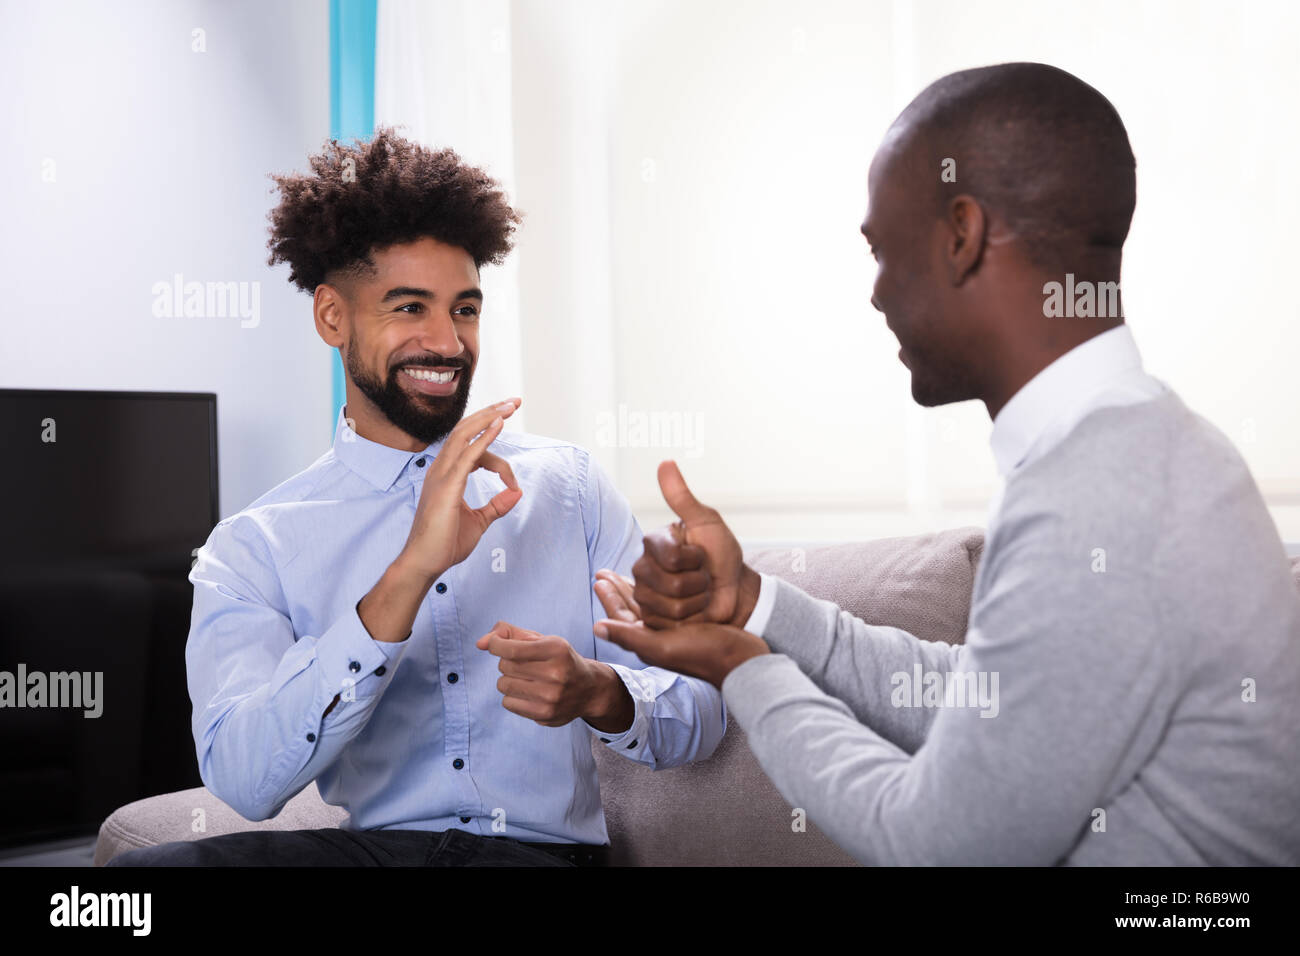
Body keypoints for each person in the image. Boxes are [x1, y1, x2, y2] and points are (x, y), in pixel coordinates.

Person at [594, 63, 1300, 865]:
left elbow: (939, 843)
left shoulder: (1101, 495)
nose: (877, 294)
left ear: (960, 236)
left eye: (882, 250)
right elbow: (989, 701)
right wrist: (753, 604)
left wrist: (744, 671)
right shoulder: (1145, 450)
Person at [109, 128, 725, 868]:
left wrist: (602, 692)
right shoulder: (254, 546)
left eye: (464, 309)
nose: (447, 341)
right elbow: (242, 776)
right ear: (333, 317)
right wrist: (409, 572)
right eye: (409, 308)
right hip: (370, 854)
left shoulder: (568, 490)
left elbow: (702, 712)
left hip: (537, 859)